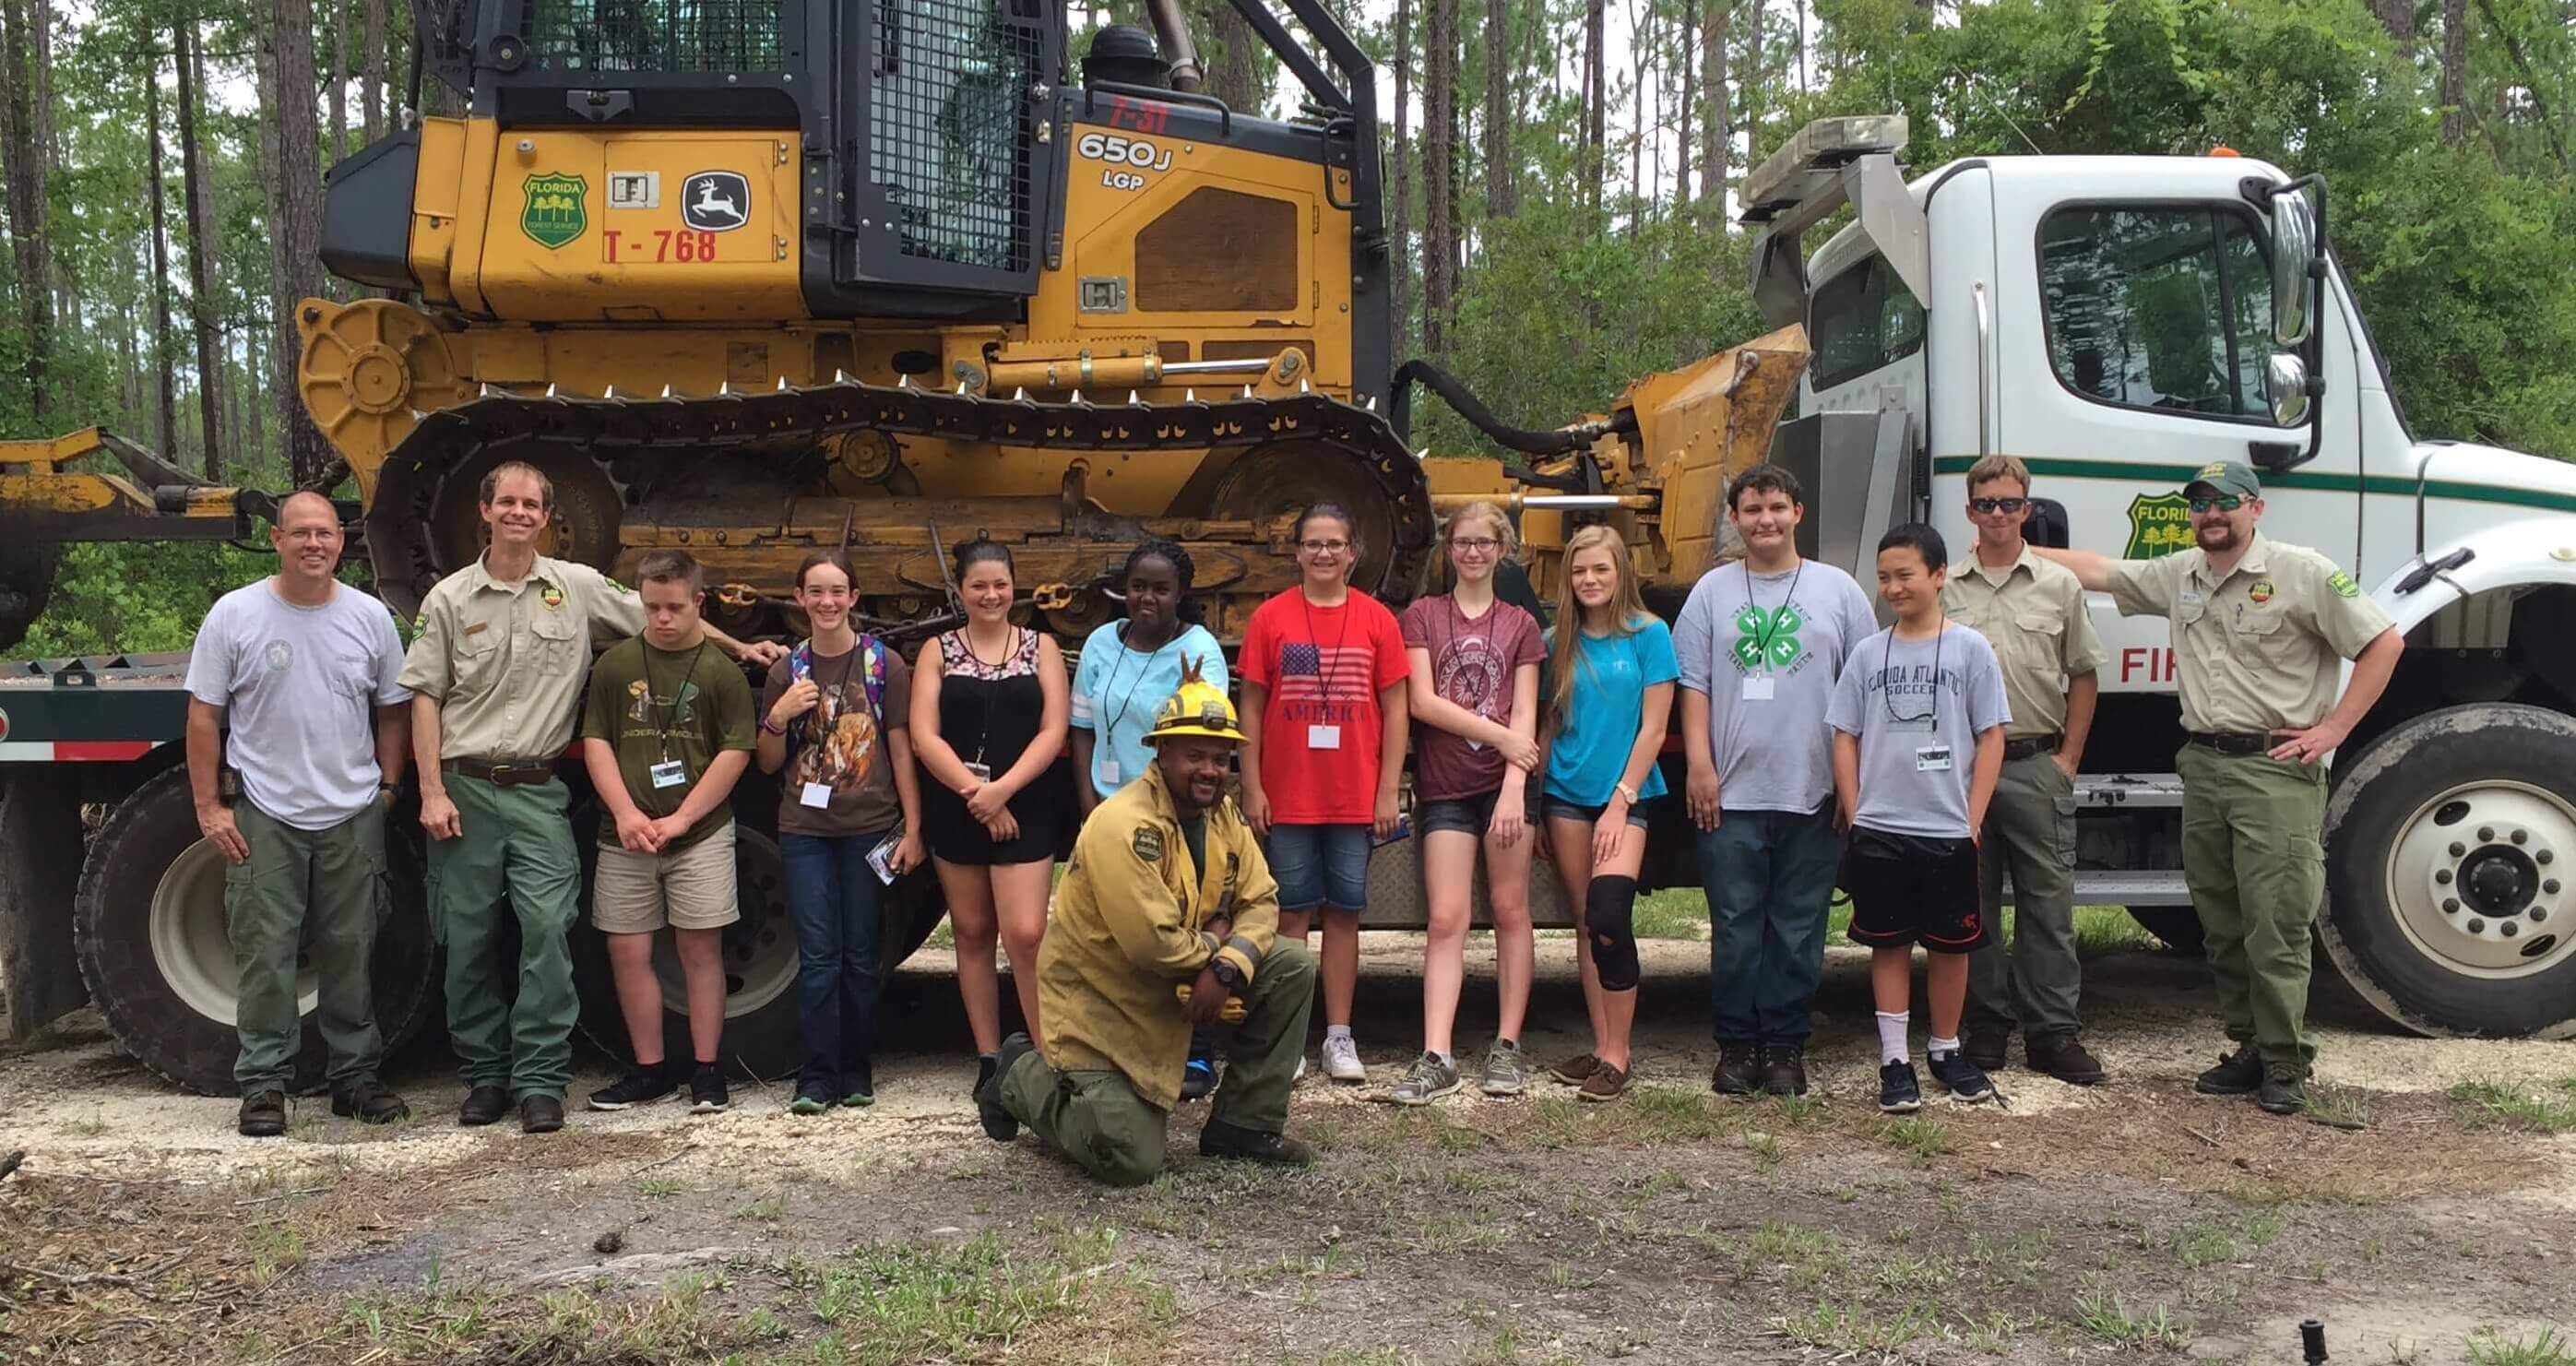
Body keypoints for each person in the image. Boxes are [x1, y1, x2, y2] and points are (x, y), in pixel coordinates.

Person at [400, 461, 782, 1135]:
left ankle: (541, 1079)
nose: (519, 512)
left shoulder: (573, 587)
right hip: (463, 785)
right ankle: (485, 1075)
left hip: (538, 788)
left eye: (531, 504)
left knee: (548, 932)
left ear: (547, 517)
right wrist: (429, 789)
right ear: (484, 510)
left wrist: (743, 647)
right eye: (507, 502)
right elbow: (425, 695)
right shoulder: (449, 599)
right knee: (467, 939)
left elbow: (665, 614)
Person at [2036, 460, 2398, 1116]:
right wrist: (2007, 543)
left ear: (2254, 509)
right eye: (2199, 505)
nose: (2210, 514)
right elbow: (2097, 569)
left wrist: (2333, 728)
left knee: (2276, 920)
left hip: (2272, 770)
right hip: (2202, 765)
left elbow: (2383, 642)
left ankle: (2286, 1061)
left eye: (2224, 503)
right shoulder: (2182, 573)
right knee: (2222, 920)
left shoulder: (2303, 571)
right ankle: (2249, 1046)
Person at [973, 660, 1320, 1184]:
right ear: (1161, 752)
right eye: (1195, 755)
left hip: (1182, 987)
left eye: (1221, 758)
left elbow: (1263, 901)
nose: (1210, 769)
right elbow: (1153, 946)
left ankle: (1243, 1124)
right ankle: (1019, 1074)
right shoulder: (1124, 824)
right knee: (1131, 1158)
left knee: (1291, 964)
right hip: (1106, 1007)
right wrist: (1219, 941)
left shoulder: (1223, 815)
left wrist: (1225, 968)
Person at [184, 492, 414, 1137]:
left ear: (342, 543)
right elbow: (204, 715)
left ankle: (355, 1078)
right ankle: (263, 1083)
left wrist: (389, 787)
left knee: (352, 950)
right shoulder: (236, 614)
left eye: (326, 533)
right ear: (278, 539)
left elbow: (393, 707)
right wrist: (209, 806)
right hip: (265, 812)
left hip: (351, 810)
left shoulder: (370, 618)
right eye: (300, 533)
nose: (314, 543)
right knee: (265, 952)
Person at [1671, 464, 1879, 1098]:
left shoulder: (1838, 591)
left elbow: (1861, 689)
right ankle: (1736, 1044)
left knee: (1797, 926)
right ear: (1733, 517)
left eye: (1776, 507)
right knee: (1734, 926)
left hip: (1811, 789)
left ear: (1798, 512)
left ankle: (1785, 1045)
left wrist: (1852, 786)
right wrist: (1699, 766)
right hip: (1730, 793)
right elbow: (1694, 684)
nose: (1765, 519)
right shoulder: (1711, 591)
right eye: (1752, 508)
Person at [1941, 456, 2109, 1084]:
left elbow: (2084, 673)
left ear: (2026, 510)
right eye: (1985, 504)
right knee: (1970, 904)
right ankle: (1985, 1027)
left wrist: (2067, 759)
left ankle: (2052, 1033)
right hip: (1961, 772)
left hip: (2036, 760)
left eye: (2009, 503)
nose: (1997, 515)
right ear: (1969, 511)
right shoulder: (1944, 586)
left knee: (2047, 905)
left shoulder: (2056, 585)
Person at [1829, 524, 2009, 1112]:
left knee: (1952, 946)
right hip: (1882, 827)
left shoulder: (1969, 650)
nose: (1893, 587)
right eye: (1883, 577)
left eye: (1905, 574)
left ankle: (1944, 1048)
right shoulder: (1867, 653)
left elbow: (1991, 736)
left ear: (1938, 575)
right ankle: (1894, 1059)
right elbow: (1845, 736)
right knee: (1889, 944)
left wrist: (1972, 816)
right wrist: (1857, 814)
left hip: (1946, 828)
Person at [577, 550, 760, 1114]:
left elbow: (735, 752)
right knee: (628, 950)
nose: (662, 618)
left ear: (698, 604)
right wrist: (627, 812)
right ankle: (649, 1069)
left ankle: (708, 1070)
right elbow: (596, 741)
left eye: (674, 608)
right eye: (652, 607)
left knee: (699, 949)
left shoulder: (719, 672)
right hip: (625, 833)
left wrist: (682, 819)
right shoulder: (615, 665)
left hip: (699, 833)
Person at [1239, 503, 1410, 1083]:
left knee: (1344, 915)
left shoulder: (1377, 620)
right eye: (1313, 544)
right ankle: (1289, 1039)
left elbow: (1396, 710)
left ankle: (1339, 1037)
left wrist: (1388, 790)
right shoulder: (1271, 619)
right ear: (1297, 553)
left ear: (1353, 553)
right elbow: (1252, 708)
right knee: (1290, 916)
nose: (1323, 554)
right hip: (1288, 796)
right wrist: (1253, 785)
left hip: (1353, 795)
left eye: (1335, 544)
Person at [758, 552, 926, 1113]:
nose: (827, 603)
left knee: (861, 952)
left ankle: (856, 1070)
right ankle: (816, 1075)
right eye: (815, 592)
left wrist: (914, 826)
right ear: (800, 599)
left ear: (854, 597)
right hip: (805, 829)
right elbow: (766, 762)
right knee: (818, 955)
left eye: (837, 592)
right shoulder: (789, 670)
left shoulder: (885, 665)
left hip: (868, 827)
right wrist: (778, 714)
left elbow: (901, 748)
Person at [1392, 503, 1545, 1103]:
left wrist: (1513, 778)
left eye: (1484, 542)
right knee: (1445, 918)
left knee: (1510, 909)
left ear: (1501, 549)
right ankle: (1437, 1052)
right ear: (1447, 549)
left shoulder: (1521, 625)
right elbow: (1422, 702)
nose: (1473, 552)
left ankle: (1506, 1046)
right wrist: (1503, 734)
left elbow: (1526, 710)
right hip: (1447, 784)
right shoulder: (1423, 616)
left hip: (1506, 787)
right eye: (1462, 542)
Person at [1069, 539, 1229, 1099]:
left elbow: (1205, 736)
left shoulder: (1201, 650)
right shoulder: (1098, 643)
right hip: (1112, 809)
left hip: (1174, 814)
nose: (1147, 597)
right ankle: (1124, 1046)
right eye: (1139, 586)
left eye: (1161, 588)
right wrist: (1090, 806)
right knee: (1118, 936)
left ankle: (1198, 1055)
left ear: (1181, 593)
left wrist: (1193, 691)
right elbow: (1082, 727)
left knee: (1184, 927)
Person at [911, 539, 1070, 1096]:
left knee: (1026, 934)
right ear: (959, 590)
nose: (990, 594)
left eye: (999, 584)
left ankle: (1047, 1054)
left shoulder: (1039, 646)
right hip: (957, 805)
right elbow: (923, 733)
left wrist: (1000, 790)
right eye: (978, 585)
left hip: (1024, 802)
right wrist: (973, 791)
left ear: (1014, 587)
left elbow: (1054, 730)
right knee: (974, 931)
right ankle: (987, 1056)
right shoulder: (938, 649)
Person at [1537, 526, 1677, 1103]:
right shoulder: (1555, 641)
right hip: (1565, 794)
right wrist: (1533, 799)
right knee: (1586, 922)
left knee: (1610, 913)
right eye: (1578, 571)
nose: (1589, 581)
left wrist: (1622, 800)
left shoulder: (1650, 635)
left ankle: (1619, 1054)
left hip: (1626, 795)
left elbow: (1655, 728)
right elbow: (1547, 724)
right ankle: (1600, 1048)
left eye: (1600, 570)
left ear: (1621, 574)